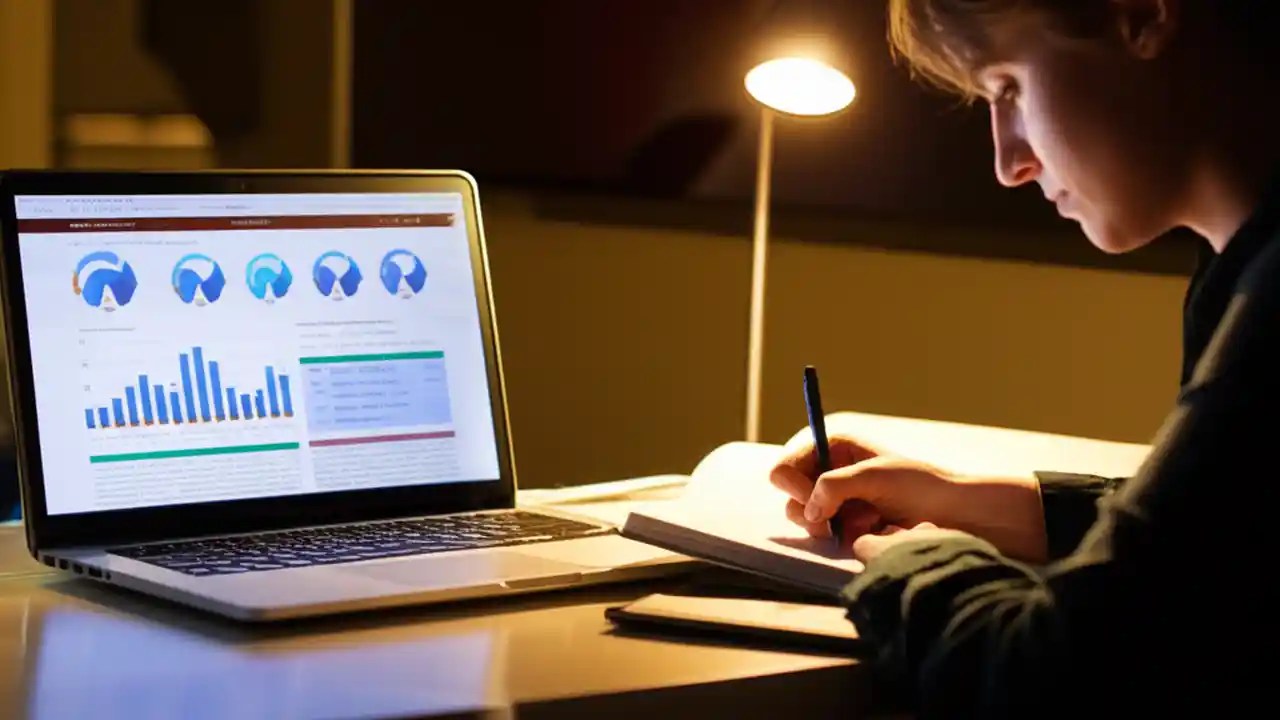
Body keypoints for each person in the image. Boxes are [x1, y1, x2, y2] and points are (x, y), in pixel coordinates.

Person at [769, 0, 1280, 715]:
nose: (1010, 163)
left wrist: (917, 565)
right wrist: (968, 500)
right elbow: (1232, 540)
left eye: (1008, 88)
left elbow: (1058, 678)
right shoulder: (1238, 270)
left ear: (1142, 14)